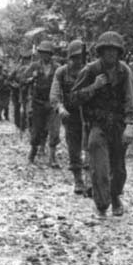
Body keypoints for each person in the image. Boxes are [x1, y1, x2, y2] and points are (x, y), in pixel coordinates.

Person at [70, 31, 133, 217]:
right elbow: (73, 99)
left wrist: (130, 125)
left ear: (119, 52)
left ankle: (115, 196)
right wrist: (94, 87)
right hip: (97, 125)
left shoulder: (124, 71)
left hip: (118, 125)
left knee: (119, 168)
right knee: (99, 167)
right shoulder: (90, 71)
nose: (110, 54)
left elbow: (130, 99)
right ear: (100, 52)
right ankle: (101, 203)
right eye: (107, 50)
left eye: (114, 50)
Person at [50, 39, 87, 193]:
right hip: (71, 114)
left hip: (89, 114)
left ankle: (91, 179)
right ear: (70, 57)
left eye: (81, 57)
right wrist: (59, 107)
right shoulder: (62, 72)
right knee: (73, 147)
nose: (78, 61)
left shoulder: (90, 69)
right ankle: (78, 179)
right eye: (75, 57)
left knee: (91, 145)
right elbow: (55, 92)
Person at [26, 40, 59, 164]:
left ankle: (52, 156)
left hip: (52, 103)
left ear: (51, 54)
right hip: (38, 102)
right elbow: (22, 79)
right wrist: (31, 78)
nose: (45, 55)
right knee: (36, 129)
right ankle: (33, 150)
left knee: (54, 130)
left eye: (47, 53)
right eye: (43, 53)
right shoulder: (34, 66)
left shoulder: (57, 68)